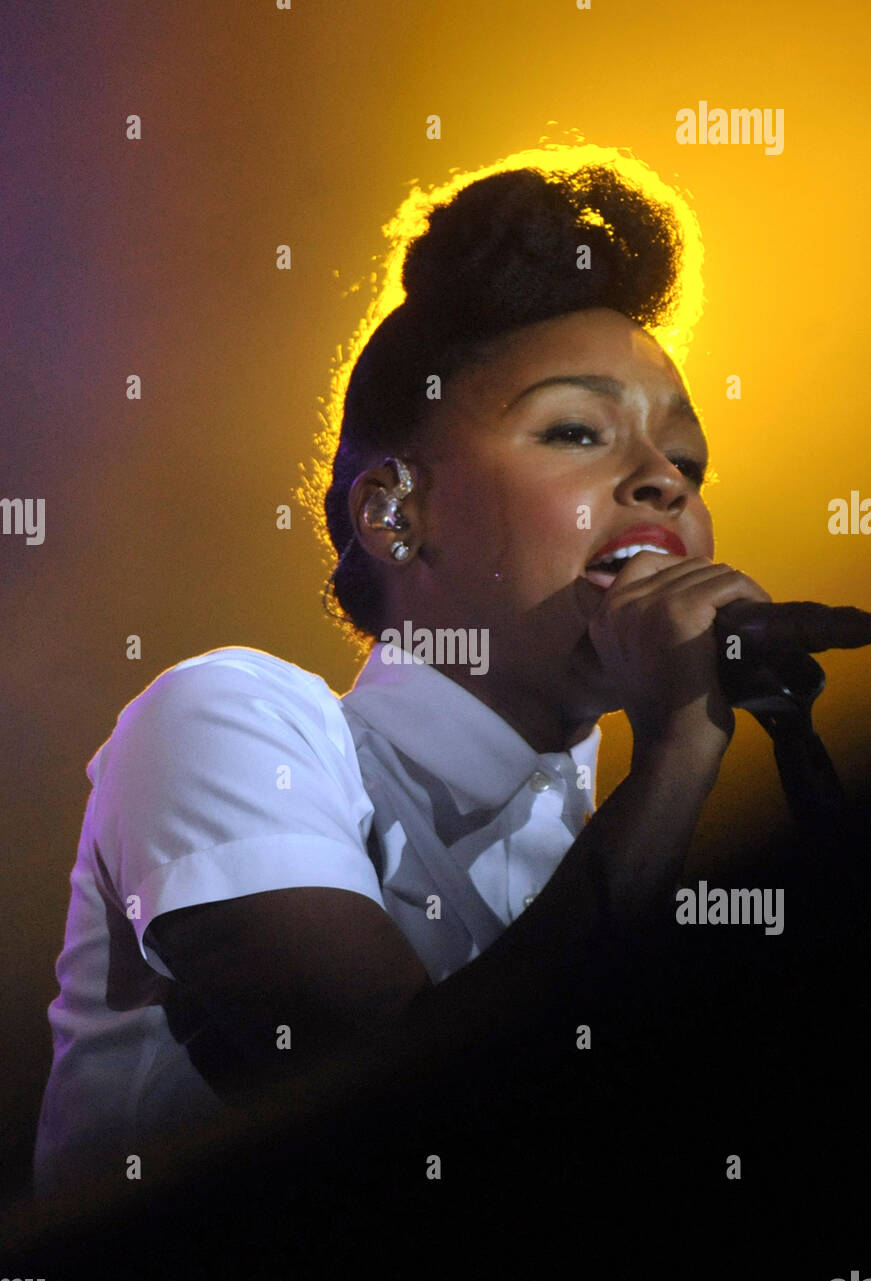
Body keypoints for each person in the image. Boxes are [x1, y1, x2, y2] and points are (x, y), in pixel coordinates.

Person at [33, 150, 774, 1207]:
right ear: (392, 511)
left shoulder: (613, 837)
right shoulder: (227, 718)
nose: (664, 479)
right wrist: (679, 749)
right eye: (575, 429)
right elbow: (401, 1099)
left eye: (686, 465)